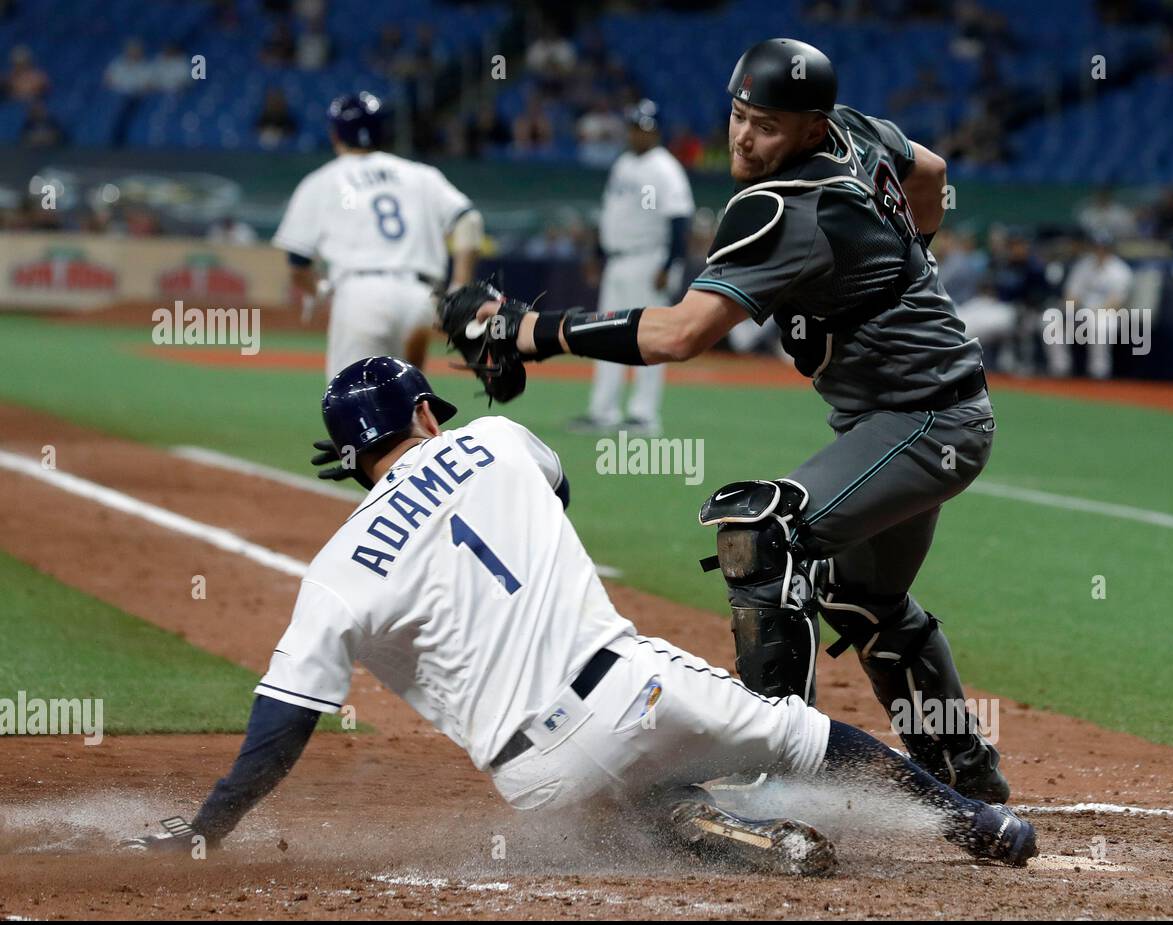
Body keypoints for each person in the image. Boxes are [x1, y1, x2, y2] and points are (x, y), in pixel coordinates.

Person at [123, 357, 1037, 874]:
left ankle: (740, 839)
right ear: (426, 415)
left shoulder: (333, 571)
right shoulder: (492, 436)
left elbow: (281, 724)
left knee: (619, 811)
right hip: (638, 692)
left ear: (351, 458)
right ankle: (980, 824)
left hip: (537, 778)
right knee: (801, 736)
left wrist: (209, 827)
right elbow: (557, 495)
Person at [443, 38, 1013, 803]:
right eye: (739, 115)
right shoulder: (856, 129)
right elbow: (933, 174)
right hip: (920, 410)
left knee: (760, 533)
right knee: (860, 594)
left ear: (809, 130)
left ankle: (777, 778)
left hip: (925, 417)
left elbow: (681, 334)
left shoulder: (782, 205)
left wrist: (526, 331)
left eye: (766, 125)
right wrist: (908, 256)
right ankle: (962, 769)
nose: (744, 137)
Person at [272, 92, 482, 377]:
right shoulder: (421, 175)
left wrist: (318, 291)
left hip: (361, 295)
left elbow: (297, 263)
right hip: (419, 299)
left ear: (335, 135)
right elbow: (468, 221)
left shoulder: (323, 180)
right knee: (407, 406)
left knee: (351, 404)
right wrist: (459, 286)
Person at [569, 100, 694, 436]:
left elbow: (680, 220)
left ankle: (643, 415)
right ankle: (602, 411)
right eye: (636, 127)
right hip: (619, 260)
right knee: (604, 335)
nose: (639, 133)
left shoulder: (665, 168)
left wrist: (670, 264)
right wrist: (597, 253)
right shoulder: (623, 163)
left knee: (648, 338)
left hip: (649, 260)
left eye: (645, 128)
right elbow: (611, 213)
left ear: (656, 132)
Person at [1048, 231, 1133, 380]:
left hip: (1108, 313)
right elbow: (1071, 294)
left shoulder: (1120, 270)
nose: (1100, 250)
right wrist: (1070, 311)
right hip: (1081, 312)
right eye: (1097, 247)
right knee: (1051, 321)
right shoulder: (1083, 265)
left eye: (1104, 247)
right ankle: (1060, 369)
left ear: (1110, 249)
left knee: (1099, 325)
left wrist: (1090, 313)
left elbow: (1116, 302)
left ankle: (1099, 372)